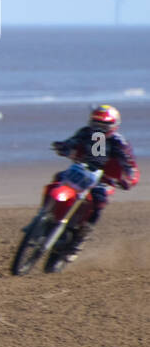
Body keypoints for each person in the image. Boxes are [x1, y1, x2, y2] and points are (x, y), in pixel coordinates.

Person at [50, 104, 138, 257]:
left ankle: (80, 238)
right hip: (81, 170)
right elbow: (72, 142)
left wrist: (129, 180)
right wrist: (62, 147)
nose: (99, 128)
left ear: (113, 125)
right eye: (96, 123)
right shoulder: (85, 132)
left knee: (99, 200)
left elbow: (130, 167)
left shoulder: (119, 143)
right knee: (58, 179)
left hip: (103, 179)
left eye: (103, 125)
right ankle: (47, 215)